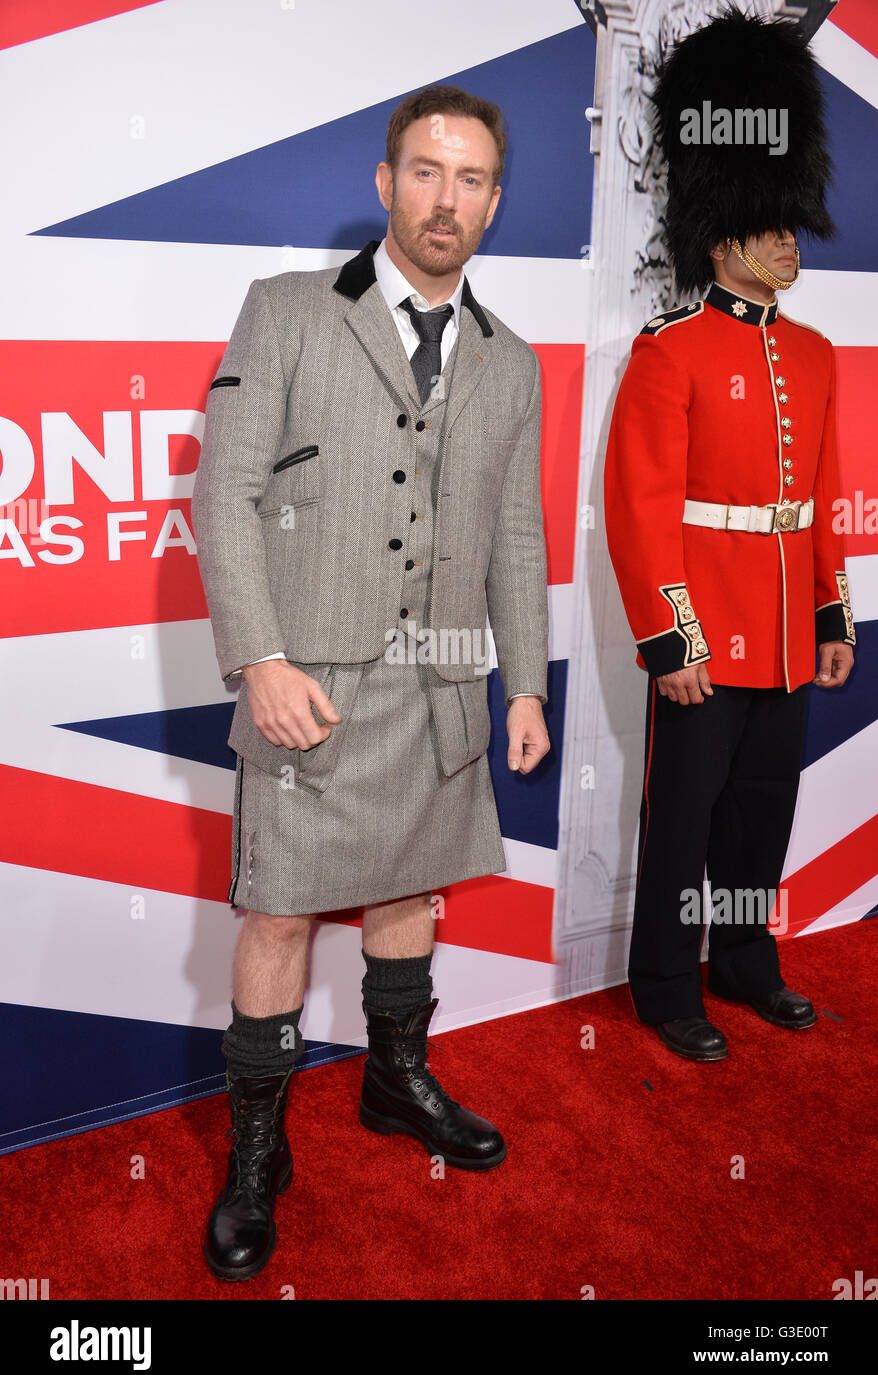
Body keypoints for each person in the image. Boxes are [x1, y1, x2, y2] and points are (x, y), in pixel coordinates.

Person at [191, 83, 550, 1280]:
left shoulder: (513, 361)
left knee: (412, 889)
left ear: (494, 201)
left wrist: (522, 686)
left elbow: (513, 534)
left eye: (471, 179)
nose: (446, 199)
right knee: (278, 912)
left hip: (444, 677)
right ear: (384, 182)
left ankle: (396, 1083)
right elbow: (224, 495)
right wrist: (259, 659)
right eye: (426, 171)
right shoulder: (286, 311)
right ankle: (256, 1155)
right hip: (311, 682)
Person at [603, 8, 856, 1062]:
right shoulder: (669, 352)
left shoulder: (815, 352)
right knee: (682, 822)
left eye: (791, 227)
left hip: (788, 639)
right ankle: (666, 985)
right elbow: (639, 507)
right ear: (721, 236)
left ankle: (746, 961)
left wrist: (828, 613)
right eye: (769, 229)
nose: (788, 243)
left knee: (759, 815)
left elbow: (819, 492)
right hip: (706, 635)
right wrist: (671, 640)